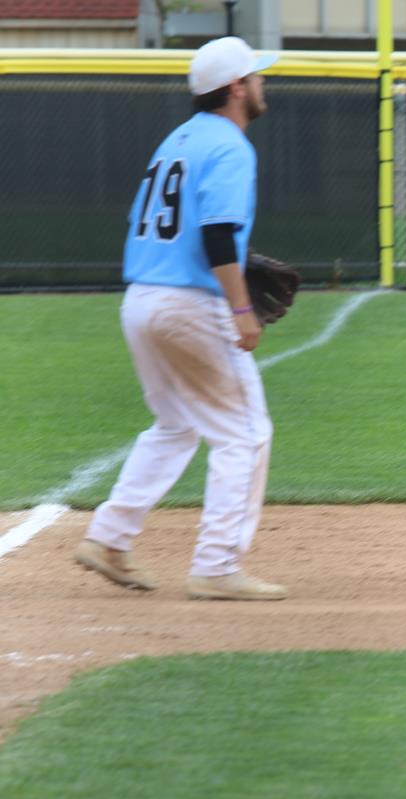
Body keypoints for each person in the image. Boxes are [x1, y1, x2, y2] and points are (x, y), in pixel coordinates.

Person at [74, 37, 288, 602]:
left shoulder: (177, 142)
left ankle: (109, 537)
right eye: (257, 77)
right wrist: (241, 309)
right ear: (237, 88)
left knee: (175, 425)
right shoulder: (231, 146)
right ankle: (217, 565)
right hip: (189, 306)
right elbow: (215, 232)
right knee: (245, 434)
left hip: (142, 299)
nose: (263, 85)